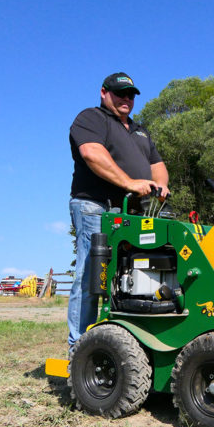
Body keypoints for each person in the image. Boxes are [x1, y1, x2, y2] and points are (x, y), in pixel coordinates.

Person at [67, 72, 169, 351]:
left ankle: (124, 344)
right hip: (95, 206)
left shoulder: (140, 130)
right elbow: (91, 153)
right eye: (120, 93)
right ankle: (80, 348)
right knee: (91, 275)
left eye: (131, 94)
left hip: (133, 212)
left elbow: (157, 164)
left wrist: (160, 186)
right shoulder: (91, 118)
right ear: (103, 93)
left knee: (132, 274)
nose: (126, 99)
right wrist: (129, 183)